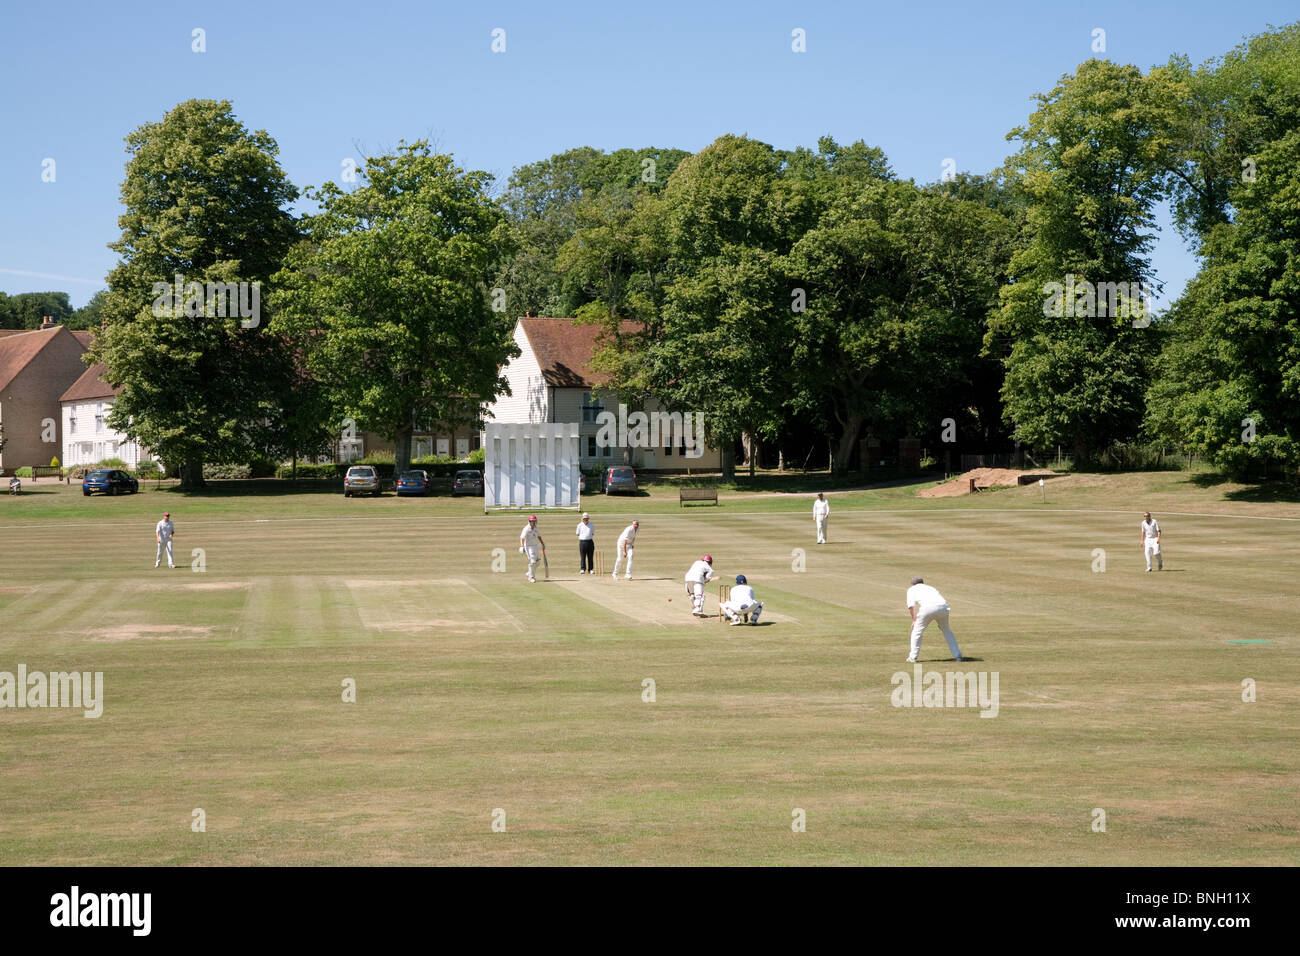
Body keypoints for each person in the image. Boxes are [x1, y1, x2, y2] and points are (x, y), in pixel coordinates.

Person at [904, 576, 963, 663]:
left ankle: (912, 657)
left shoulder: (911, 589)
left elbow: (911, 606)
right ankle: (958, 656)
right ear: (922, 583)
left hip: (928, 608)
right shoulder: (931, 588)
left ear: (913, 584)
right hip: (943, 607)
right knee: (946, 631)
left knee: (917, 632)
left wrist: (914, 620)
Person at [519, 514, 545, 583]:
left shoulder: (536, 528)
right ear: (529, 521)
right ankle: (531, 577)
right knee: (532, 562)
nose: (533, 523)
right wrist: (521, 546)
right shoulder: (526, 529)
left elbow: (539, 536)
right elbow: (522, 538)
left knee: (538, 562)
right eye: (532, 521)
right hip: (528, 547)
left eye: (534, 521)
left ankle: (529, 572)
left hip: (535, 546)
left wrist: (542, 543)